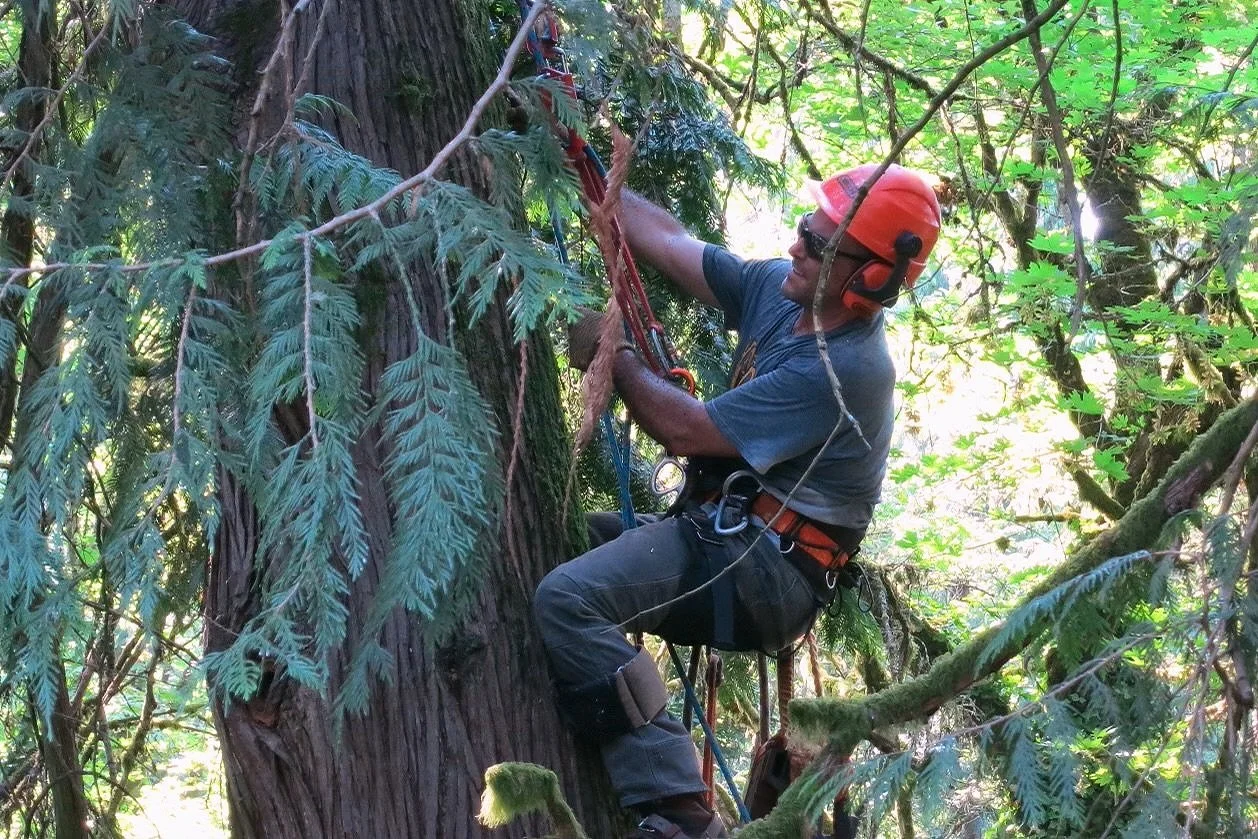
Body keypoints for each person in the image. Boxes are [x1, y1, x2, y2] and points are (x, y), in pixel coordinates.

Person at [532, 163, 942, 838]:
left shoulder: (845, 369)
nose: (796, 245)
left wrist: (617, 357)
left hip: (771, 569)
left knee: (569, 599)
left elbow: (686, 430)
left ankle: (681, 812)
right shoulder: (783, 294)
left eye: (817, 243)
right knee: (567, 543)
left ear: (869, 276)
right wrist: (583, 168)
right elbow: (669, 242)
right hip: (731, 536)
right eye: (805, 229)